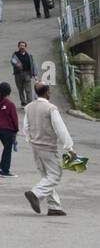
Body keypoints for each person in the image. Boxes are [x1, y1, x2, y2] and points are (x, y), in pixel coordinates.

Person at [23, 84, 75, 216]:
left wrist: (31, 140)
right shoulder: (51, 108)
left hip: (35, 146)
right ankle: (36, 193)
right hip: (48, 147)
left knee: (46, 177)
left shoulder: (29, 107)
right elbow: (60, 128)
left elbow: (26, 127)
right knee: (55, 175)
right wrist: (69, 148)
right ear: (47, 93)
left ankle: (54, 206)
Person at [0, 82, 19, 178]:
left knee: (6, 148)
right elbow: (14, 118)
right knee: (8, 149)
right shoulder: (10, 104)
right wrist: (16, 130)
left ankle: (2, 167)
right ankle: (4, 170)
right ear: (9, 92)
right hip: (8, 129)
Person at [11, 41, 36, 107]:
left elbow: (33, 65)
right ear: (18, 46)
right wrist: (17, 65)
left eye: (23, 46)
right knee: (20, 89)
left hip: (27, 74)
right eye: (21, 45)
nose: (22, 47)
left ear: (25, 47)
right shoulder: (15, 54)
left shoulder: (29, 55)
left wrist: (34, 74)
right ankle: (23, 102)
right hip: (18, 74)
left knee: (28, 90)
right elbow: (12, 61)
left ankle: (29, 103)